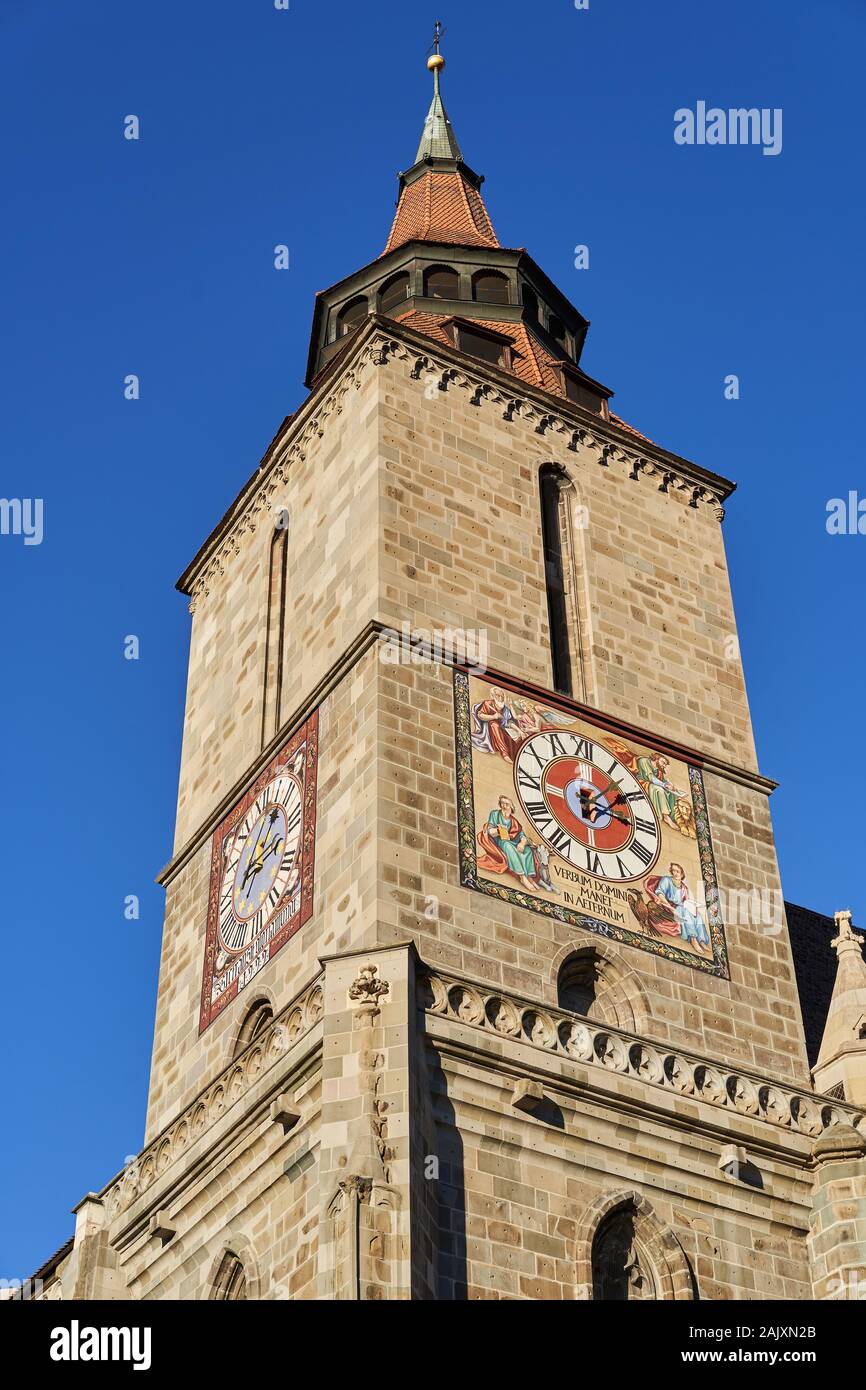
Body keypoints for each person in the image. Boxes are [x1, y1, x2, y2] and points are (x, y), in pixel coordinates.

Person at [477, 796, 539, 891]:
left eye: (507, 804)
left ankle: (529, 876)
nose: (504, 806)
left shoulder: (514, 821)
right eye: (502, 803)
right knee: (508, 846)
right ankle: (522, 877)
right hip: (499, 840)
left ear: (511, 807)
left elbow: (522, 835)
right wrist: (499, 830)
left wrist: (522, 843)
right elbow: (490, 830)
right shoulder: (495, 814)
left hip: (512, 841)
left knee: (527, 850)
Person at [645, 863, 711, 950]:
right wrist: (669, 906)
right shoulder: (666, 880)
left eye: (677, 871)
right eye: (673, 871)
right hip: (667, 906)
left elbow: (686, 901)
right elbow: (659, 893)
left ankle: (701, 940)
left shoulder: (684, 887)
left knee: (697, 914)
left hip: (681, 907)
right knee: (685, 912)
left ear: (682, 874)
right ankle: (693, 938)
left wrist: (693, 905)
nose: (675, 873)